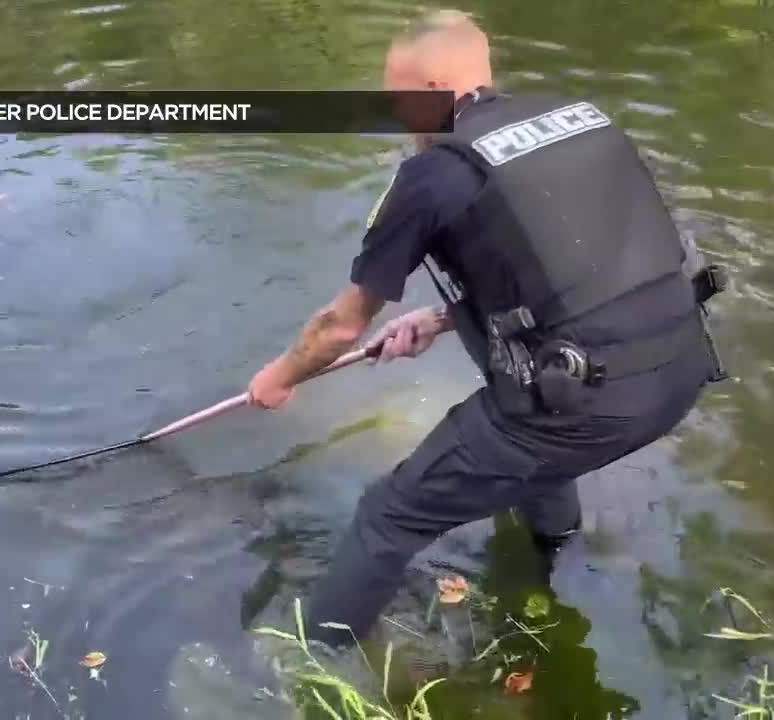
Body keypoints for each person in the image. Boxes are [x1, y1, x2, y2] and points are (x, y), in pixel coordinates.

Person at [246, 9, 728, 647]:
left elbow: (339, 327)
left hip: (584, 408)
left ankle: (310, 663)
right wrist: (443, 316)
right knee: (546, 456)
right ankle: (558, 561)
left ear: (430, 88)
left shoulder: (433, 174)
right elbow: (575, 274)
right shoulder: (576, 120)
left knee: (387, 517)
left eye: (398, 101)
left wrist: (279, 378)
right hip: (679, 372)